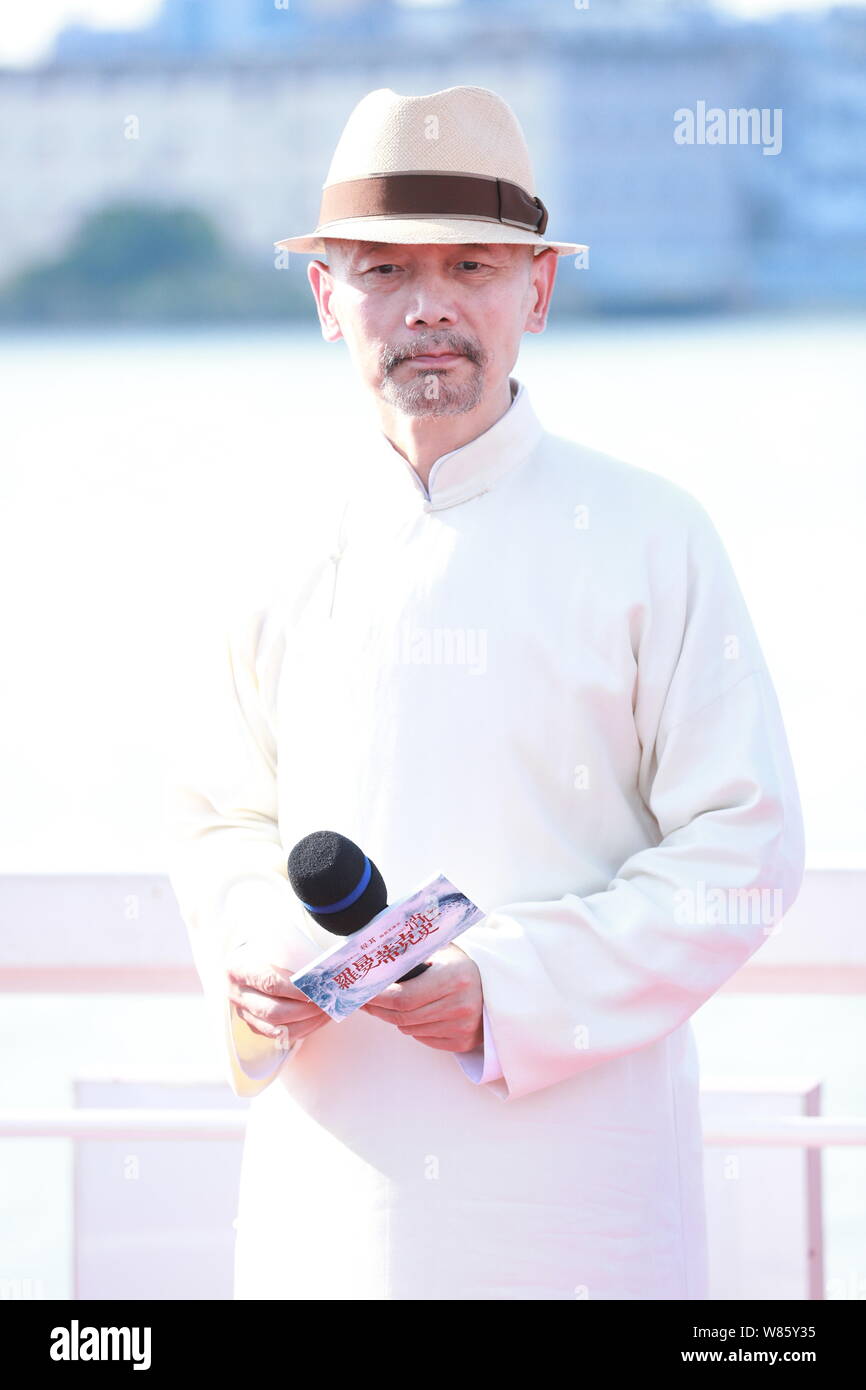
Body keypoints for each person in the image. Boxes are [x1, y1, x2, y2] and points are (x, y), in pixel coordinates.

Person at [165, 85, 805, 1300]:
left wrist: (506, 990)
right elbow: (217, 818)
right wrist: (252, 947)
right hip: (329, 1190)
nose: (429, 306)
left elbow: (747, 841)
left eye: (472, 264)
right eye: (384, 271)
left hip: (586, 1191)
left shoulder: (651, 533)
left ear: (537, 292)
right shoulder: (262, 542)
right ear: (323, 297)